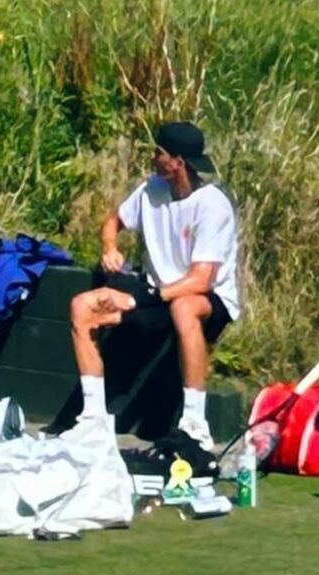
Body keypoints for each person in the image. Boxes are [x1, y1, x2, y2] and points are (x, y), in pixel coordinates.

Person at [69, 121, 239, 449]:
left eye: (158, 152)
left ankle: (194, 422)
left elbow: (201, 279)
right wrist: (110, 248)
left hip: (207, 297)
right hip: (156, 294)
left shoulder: (213, 206)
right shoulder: (151, 189)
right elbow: (112, 221)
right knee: (82, 307)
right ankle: (93, 419)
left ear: (177, 162)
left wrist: (145, 298)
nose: (153, 156)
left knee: (183, 306)